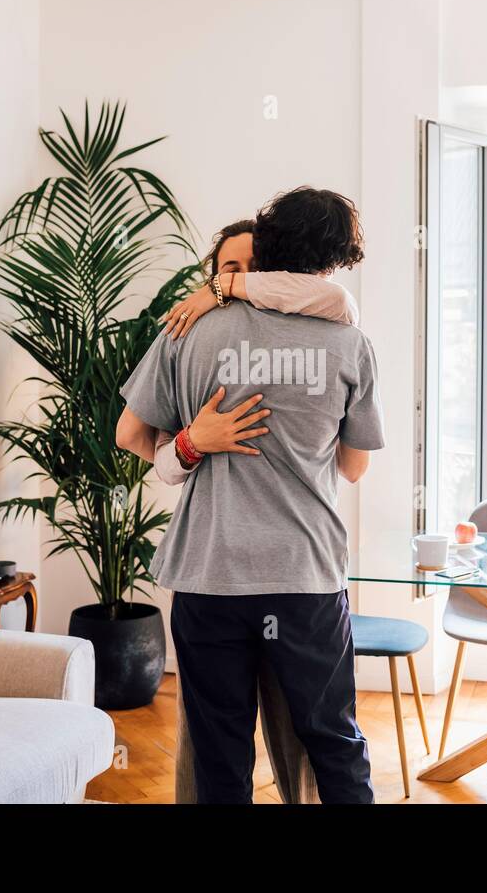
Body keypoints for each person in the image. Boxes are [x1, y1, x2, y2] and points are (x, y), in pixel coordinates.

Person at [117, 187, 384, 803]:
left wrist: (190, 444)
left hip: (212, 578)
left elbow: (131, 432)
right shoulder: (349, 343)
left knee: (218, 750)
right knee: (333, 740)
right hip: (305, 578)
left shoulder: (190, 328)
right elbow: (355, 467)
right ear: (328, 262)